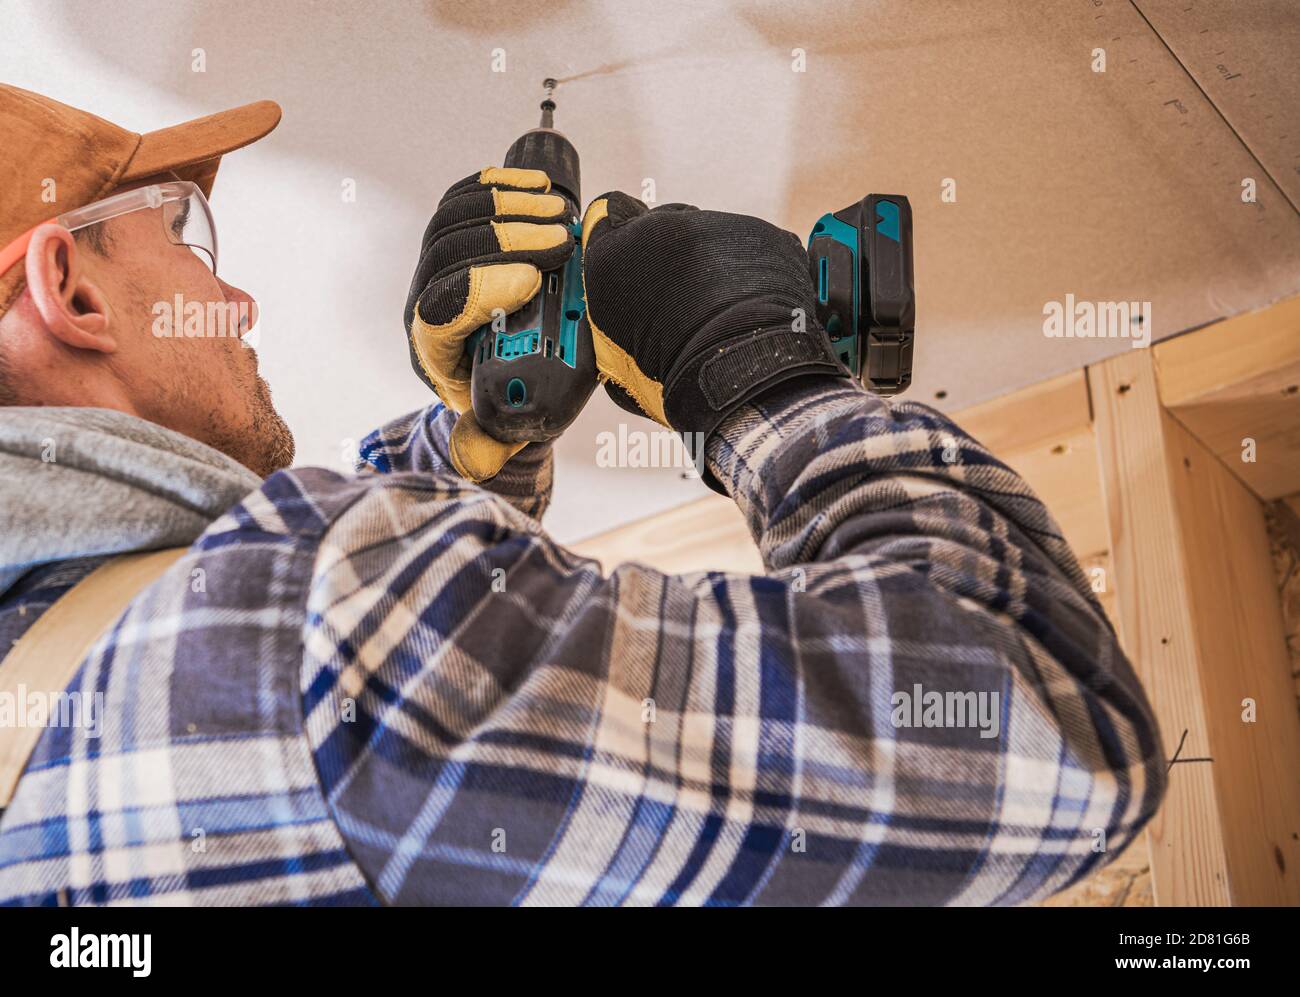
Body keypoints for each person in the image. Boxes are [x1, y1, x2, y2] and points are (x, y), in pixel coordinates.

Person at [0, 84, 1165, 906]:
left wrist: (481, 446)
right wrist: (760, 370)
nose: (236, 299)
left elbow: (306, 711)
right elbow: (1042, 723)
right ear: (68, 287)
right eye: (185, 233)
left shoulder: (172, 650)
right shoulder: (302, 619)